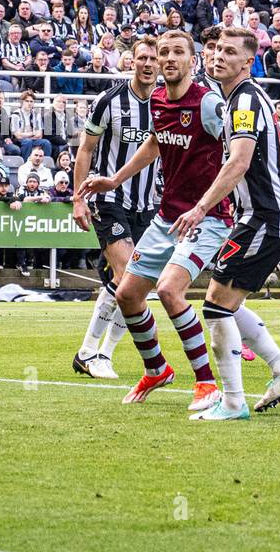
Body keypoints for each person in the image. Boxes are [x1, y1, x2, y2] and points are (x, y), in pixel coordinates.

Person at [76, 30, 228, 411]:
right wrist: (114, 179)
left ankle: (207, 384)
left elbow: (240, 154)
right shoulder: (158, 99)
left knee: (169, 290)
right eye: (164, 53)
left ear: (193, 60)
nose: (170, 59)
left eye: (179, 52)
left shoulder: (209, 104)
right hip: (166, 215)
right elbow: (156, 143)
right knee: (127, 293)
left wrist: (208, 206)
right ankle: (156, 368)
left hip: (206, 218)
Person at [175, 27, 280, 420]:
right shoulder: (237, 99)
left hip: (265, 217)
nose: (218, 57)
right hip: (260, 216)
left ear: (248, 62)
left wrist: (200, 208)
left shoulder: (245, 100)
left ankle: (233, 402)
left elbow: (240, 161)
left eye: (230, 52)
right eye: (215, 50)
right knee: (223, 302)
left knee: (216, 306)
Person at [70, 36, 160, 380]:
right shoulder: (109, 101)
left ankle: (94, 353)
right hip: (110, 200)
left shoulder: (166, 104)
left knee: (134, 285)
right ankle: (95, 353)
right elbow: (86, 151)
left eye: (154, 57)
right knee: (128, 278)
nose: (149, 63)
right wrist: (79, 199)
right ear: (130, 62)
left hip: (148, 205)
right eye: (142, 58)